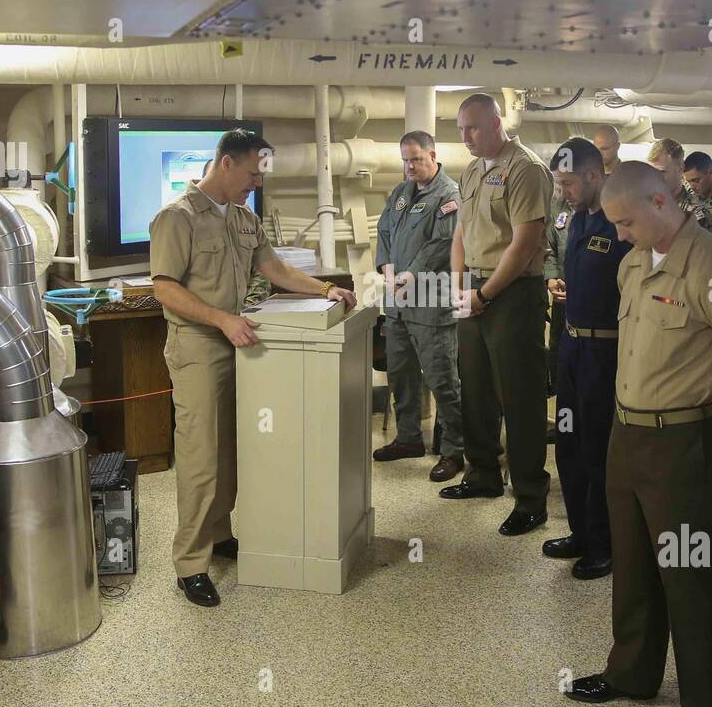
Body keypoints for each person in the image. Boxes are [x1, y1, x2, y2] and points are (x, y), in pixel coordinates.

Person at [565, 162, 712, 707]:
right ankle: (631, 671)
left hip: (684, 441)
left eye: (628, 221)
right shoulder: (635, 263)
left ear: (662, 201)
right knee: (633, 567)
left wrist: (709, 383)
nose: (623, 234)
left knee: (694, 586)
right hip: (627, 433)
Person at [150, 129, 356, 609]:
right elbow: (164, 287)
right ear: (226, 163)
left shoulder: (244, 219)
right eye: (250, 174)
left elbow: (276, 269)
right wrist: (221, 318)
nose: (254, 184)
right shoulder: (176, 218)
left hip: (238, 343)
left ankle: (220, 533)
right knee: (201, 456)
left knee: (233, 449)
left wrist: (325, 290)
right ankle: (191, 564)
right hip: (199, 345)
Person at [442, 93, 552, 538]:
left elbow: (524, 242)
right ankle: (483, 473)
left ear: (496, 122)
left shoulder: (525, 168)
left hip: (512, 293)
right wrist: (457, 285)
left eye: (472, 128)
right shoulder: (471, 170)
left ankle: (530, 497)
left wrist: (484, 293)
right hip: (474, 291)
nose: (465, 138)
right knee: (477, 390)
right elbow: (462, 233)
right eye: (460, 130)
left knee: (520, 398)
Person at [542, 139, 630, 580]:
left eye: (570, 183)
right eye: (560, 184)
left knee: (598, 450)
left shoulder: (622, 223)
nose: (564, 192)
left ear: (595, 176)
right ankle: (579, 531)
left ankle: (604, 543)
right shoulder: (575, 219)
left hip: (606, 350)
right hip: (572, 345)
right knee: (569, 443)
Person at [373, 130, 464, 482]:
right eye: (405, 160)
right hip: (397, 304)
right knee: (401, 375)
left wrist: (410, 274)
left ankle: (454, 450)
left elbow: (442, 245)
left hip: (430, 302)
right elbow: (383, 232)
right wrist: (387, 268)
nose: (410, 166)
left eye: (416, 159)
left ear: (433, 156)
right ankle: (408, 438)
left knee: (442, 379)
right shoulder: (400, 192)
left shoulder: (449, 196)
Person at [544, 179, 570, 433]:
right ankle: (565, 427)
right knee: (558, 360)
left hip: (592, 307)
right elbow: (548, 248)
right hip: (561, 300)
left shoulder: (604, 209)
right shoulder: (557, 209)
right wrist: (551, 277)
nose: (563, 190)